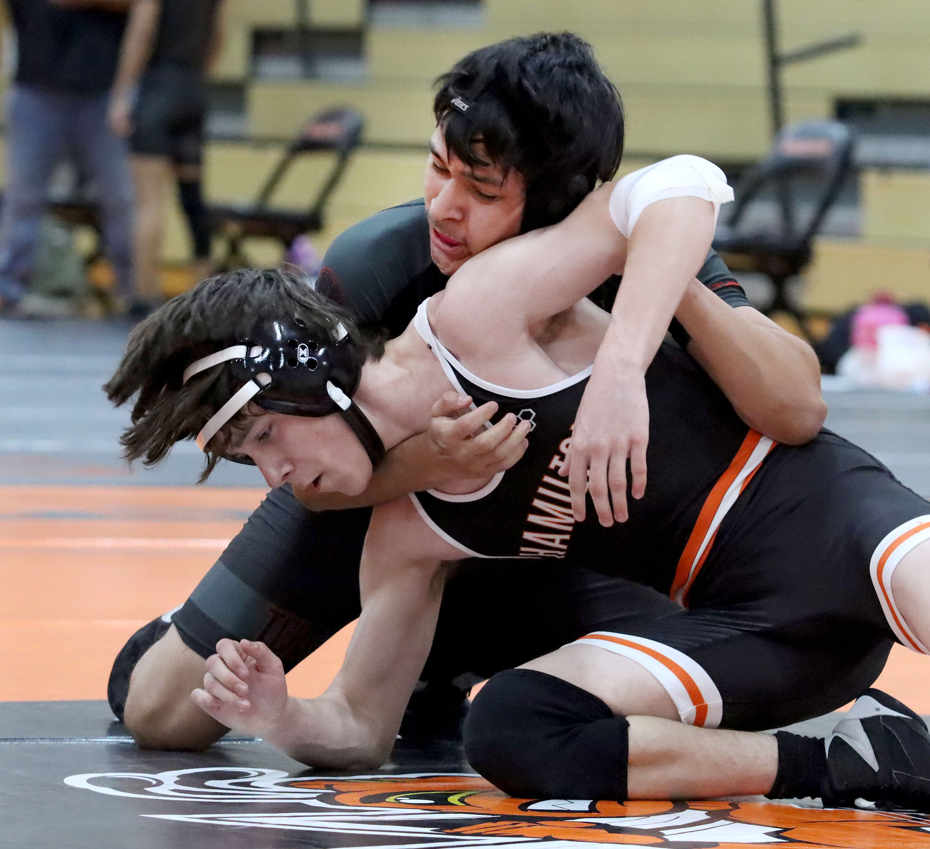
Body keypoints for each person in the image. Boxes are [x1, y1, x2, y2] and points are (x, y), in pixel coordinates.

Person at [108, 154, 930, 836]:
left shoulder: (474, 310)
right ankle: (857, 769)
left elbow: (680, 183)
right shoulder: (400, 524)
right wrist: (283, 717)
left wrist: (616, 369)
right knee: (516, 735)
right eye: (251, 462)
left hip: (812, 516)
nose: (271, 477)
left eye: (267, 440)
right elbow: (363, 728)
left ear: (322, 378)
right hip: (725, 630)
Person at [106, 33, 829, 754]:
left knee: (680, 707)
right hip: (377, 514)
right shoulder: (380, 266)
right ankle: (378, 638)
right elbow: (312, 472)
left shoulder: (640, 236)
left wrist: (661, 298)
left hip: (568, 528)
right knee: (163, 710)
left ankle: (447, 656)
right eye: (436, 167)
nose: (444, 208)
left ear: (555, 202)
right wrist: (424, 465)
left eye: (482, 191)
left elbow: (798, 408)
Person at [0, 0, 136, 315]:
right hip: (36, 89)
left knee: (119, 198)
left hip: (102, 91)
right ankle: (8, 286)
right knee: (23, 197)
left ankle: (131, 289)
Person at [107, 0, 225, 311]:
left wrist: (121, 92)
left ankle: (144, 295)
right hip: (193, 88)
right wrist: (197, 77)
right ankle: (206, 295)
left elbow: (142, 32)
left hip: (158, 88)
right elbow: (218, 36)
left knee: (149, 202)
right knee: (193, 199)